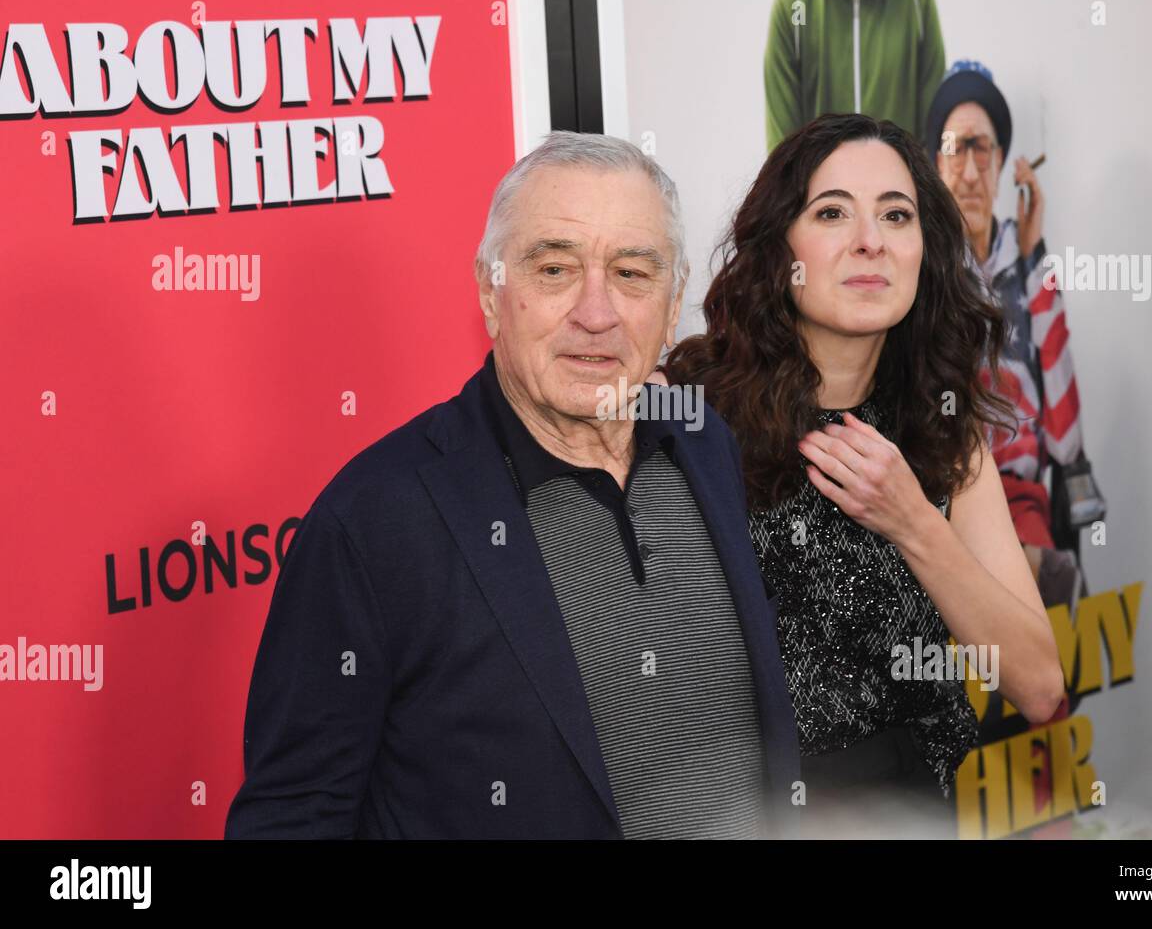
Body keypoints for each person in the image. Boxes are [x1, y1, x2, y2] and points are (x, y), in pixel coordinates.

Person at [225, 132, 800, 840]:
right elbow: (293, 815)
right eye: (554, 269)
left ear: (674, 297)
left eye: (632, 273)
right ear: (491, 293)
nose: (597, 313)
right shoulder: (376, 518)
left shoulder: (705, 444)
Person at [660, 113, 1064, 837]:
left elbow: (1037, 686)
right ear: (780, 245)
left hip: (921, 812)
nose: (870, 239)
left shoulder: (942, 424)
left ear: (924, 250)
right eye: (832, 212)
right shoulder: (693, 408)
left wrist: (914, 521)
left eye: (896, 215)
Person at [924, 60, 1106, 616]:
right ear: (935, 164)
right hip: (945, 499)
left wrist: (1035, 260)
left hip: (1022, 500)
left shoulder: (1030, 267)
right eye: (955, 148)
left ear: (1004, 163)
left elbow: (1065, 433)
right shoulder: (921, 268)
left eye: (984, 150)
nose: (971, 171)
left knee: (1043, 685)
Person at [764, 0, 946, 152]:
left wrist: (949, 158)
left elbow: (939, 129)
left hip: (899, 179)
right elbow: (782, 148)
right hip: (819, 181)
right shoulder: (795, 0)